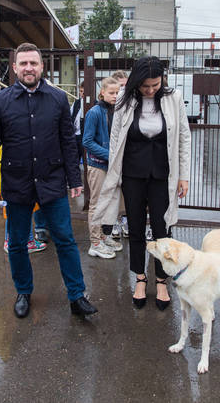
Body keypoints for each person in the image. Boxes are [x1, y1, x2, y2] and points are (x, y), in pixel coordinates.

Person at [0, 43, 98, 319]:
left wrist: (75, 179)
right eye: (23, 63)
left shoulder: (57, 98)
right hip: (17, 185)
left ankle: (76, 295)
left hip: (52, 182)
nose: (28, 68)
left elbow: (67, 143)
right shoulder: (0, 102)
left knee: (66, 240)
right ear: (14, 68)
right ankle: (23, 291)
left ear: (42, 66)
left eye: (33, 63)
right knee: (16, 243)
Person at [93, 56, 191, 310]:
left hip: (163, 175)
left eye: (155, 85)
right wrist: (114, 173)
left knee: (163, 229)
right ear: (137, 82)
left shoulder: (174, 98)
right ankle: (139, 277)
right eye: (145, 86)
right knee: (135, 228)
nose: (149, 90)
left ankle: (161, 280)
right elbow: (116, 138)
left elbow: (184, 137)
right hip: (132, 174)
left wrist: (184, 175)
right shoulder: (126, 98)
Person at [82, 77, 124, 259]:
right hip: (98, 166)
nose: (115, 96)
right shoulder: (94, 113)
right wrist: (111, 156)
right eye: (112, 93)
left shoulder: (118, 111)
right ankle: (95, 243)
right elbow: (87, 141)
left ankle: (104, 237)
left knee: (110, 204)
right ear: (102, 92)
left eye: (118, 92)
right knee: (97, 204)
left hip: (112, 166)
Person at [109, 70, 129, 239]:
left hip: (126, 158)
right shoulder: (102, 110)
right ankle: (114, 223)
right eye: (119, 87)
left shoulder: (129, 106)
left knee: (127, 194)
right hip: (109, 159)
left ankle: (125, 221)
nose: (122, 91)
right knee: (113, 194)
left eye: (124, 86)